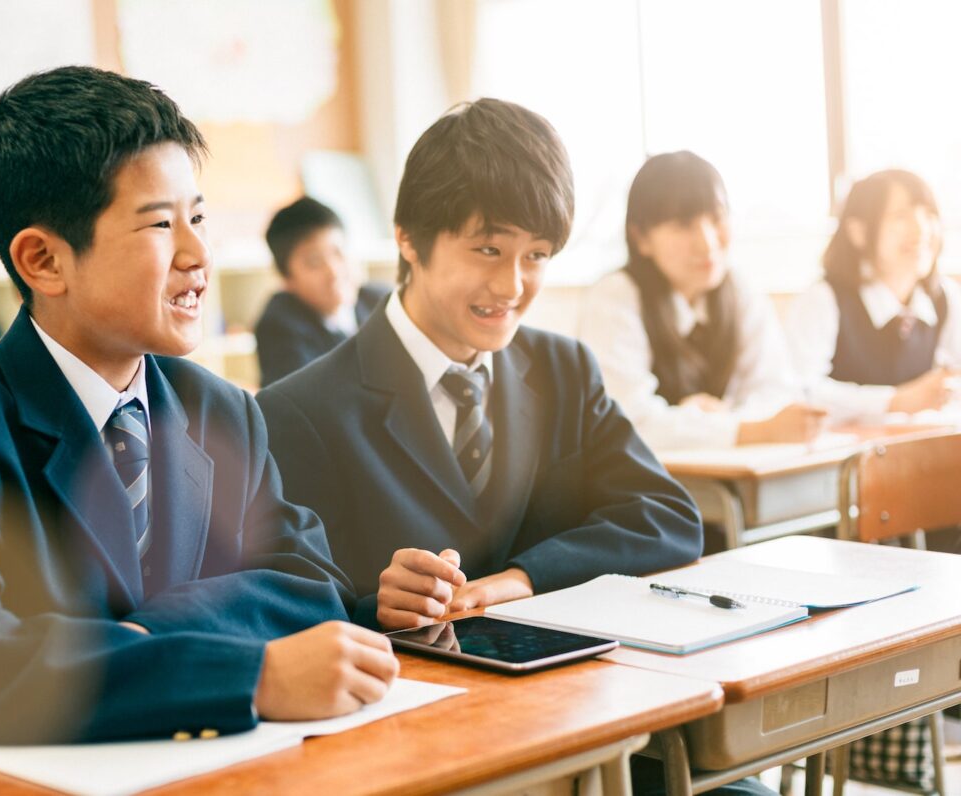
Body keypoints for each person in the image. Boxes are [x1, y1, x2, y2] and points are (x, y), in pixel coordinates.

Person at [257, 101, 773, 796]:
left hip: (590, 724)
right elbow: (282, 607)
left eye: (536, 256)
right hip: (426, 752)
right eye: (488, 250)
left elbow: (667, 517)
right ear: (409, 239)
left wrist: (522, 578)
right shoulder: (298, 411)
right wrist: (371, 603)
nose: (513, 287)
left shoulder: (562, 369)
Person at [0, 65, 397, 746]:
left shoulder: (221, 410)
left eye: (200, 217)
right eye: (160, 225)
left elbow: (310, 586)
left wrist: (141, 635)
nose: (199, 254)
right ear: (43, 261)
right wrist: (247, 673)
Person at [579, 151, 825, 451]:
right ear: (641, 237)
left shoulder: (739, 290)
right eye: (683, 225)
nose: (707, 242)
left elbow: (778, 392)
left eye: (717, 218)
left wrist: (714, 420)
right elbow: (627, 422)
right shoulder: (615, 297)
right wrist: (743, 429)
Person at [785, 169, 961, 422]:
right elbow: (800, 390)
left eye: (928, 214)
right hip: (842, 457)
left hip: (919, 453)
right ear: (858, 232)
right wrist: (894, 401)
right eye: (901, 216)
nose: (921, 228)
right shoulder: (824, 299)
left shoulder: (946, 298)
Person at [254, 197, 389, 386]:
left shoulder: (384, 301)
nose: (334, 271)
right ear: (287, 279)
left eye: (339, 252)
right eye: (314, 262)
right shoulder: (279, 326)